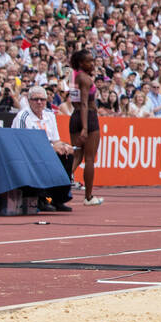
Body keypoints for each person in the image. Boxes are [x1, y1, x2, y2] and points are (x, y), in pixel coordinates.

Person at [13, 86, 74, 212]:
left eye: (42, 99)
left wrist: (64, 146)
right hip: (30, 153)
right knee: (44, 160)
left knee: (67, 155)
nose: (39, 102)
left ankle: (58, 199)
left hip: (48, 151)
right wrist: (51, 148)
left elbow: (55, 139)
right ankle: (42, 199)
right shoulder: (23, 116)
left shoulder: (49, 115)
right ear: (29, 100)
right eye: (35, 99)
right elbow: (21, 141)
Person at [68, 49, 104, 205]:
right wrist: (85, 128)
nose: (93, 64)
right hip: (87, 118)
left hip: (75, 116)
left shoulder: (73, 75)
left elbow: (74, 100)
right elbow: (84, 103)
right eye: (89, 61)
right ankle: (89, 197)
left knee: (77, 156)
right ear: (81, 63)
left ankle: (58, 184)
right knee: (89, 159)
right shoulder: (85, 78)